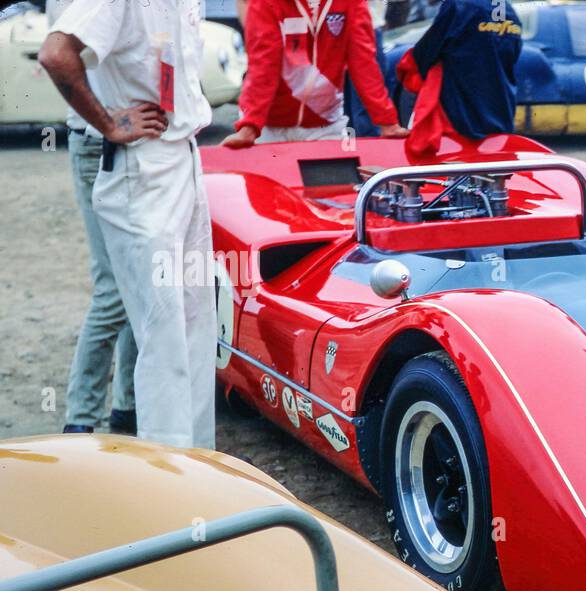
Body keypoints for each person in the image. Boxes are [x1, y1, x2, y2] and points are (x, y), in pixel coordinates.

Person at [40, 0, 217, 449]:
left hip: (184, 158)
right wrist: (109, 123)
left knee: (196, 329)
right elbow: (56, 54)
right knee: (164, 340)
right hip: (142, 168)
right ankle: (169, 475)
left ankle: (201, 469)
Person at [46, 0, 138, 436]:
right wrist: (108, 123)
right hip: (98, 141)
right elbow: (59, 56)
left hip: (116, 139)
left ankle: (126, 408)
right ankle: (80, 420)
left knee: (135, 281)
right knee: (116, 289)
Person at [223, 0, 408, 147]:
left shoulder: (352, 3)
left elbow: (364, 62)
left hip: (325, 123)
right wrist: (250, 125)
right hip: (268, 126)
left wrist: (387, 121)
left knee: (334, 191)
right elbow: (263, 65)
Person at [403, 0, 522, 141]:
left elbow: (424, 54)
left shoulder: (458, 6)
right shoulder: (508, 11)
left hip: (459, 120)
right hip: (500, 117)